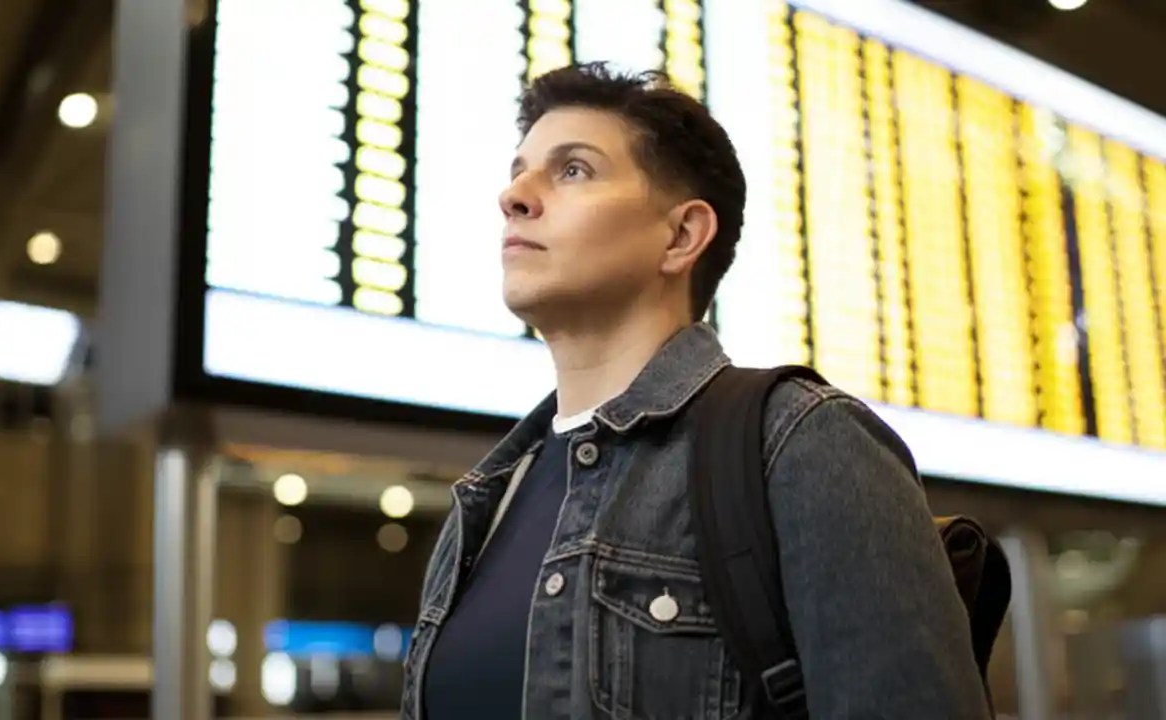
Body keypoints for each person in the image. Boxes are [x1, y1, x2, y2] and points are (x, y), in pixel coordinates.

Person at [400, 62, 990, 719]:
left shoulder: (801, 444)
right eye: (519, 171)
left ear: (681, 236)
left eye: (573, 170)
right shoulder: (489, 496)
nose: (514, 196)